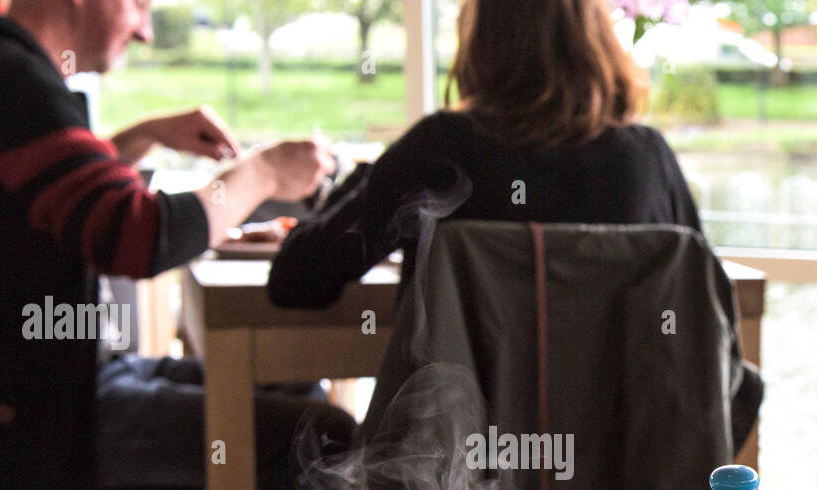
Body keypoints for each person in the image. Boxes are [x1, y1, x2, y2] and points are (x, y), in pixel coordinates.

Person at [0, 0, 354, 490]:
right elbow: (141, 236)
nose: (146, 31)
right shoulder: (4, 79)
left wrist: (141, 137)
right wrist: (263, 172)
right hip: (20, 425)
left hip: (30, 388)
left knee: (289, 382)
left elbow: (48, 196)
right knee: (322, 439)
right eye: (140, 5)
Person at [267, 0, 701, 310]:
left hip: (457, 438)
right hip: (619, 436)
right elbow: (706, 315)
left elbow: (296, 281)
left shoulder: (440, 150)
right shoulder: (647, 159)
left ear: (480, 36)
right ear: (594, 36)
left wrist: (370, 176)